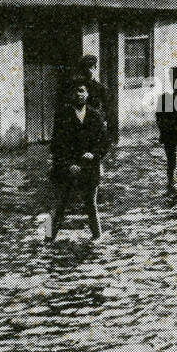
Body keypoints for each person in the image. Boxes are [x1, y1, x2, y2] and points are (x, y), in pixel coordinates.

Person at [49, 78, 108, 240]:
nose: (79, 94)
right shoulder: (61, 116)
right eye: (75, 91)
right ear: (70, 94)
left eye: (82, 91)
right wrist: (68, 164)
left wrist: (94, 154)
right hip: (65, 167)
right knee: (58, 205)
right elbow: (56, 145)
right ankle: (47, 238)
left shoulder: (95, 116)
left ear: (88, 94)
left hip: (89, 167)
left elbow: (104, 142)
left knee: (91, 204)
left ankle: (97, 237)